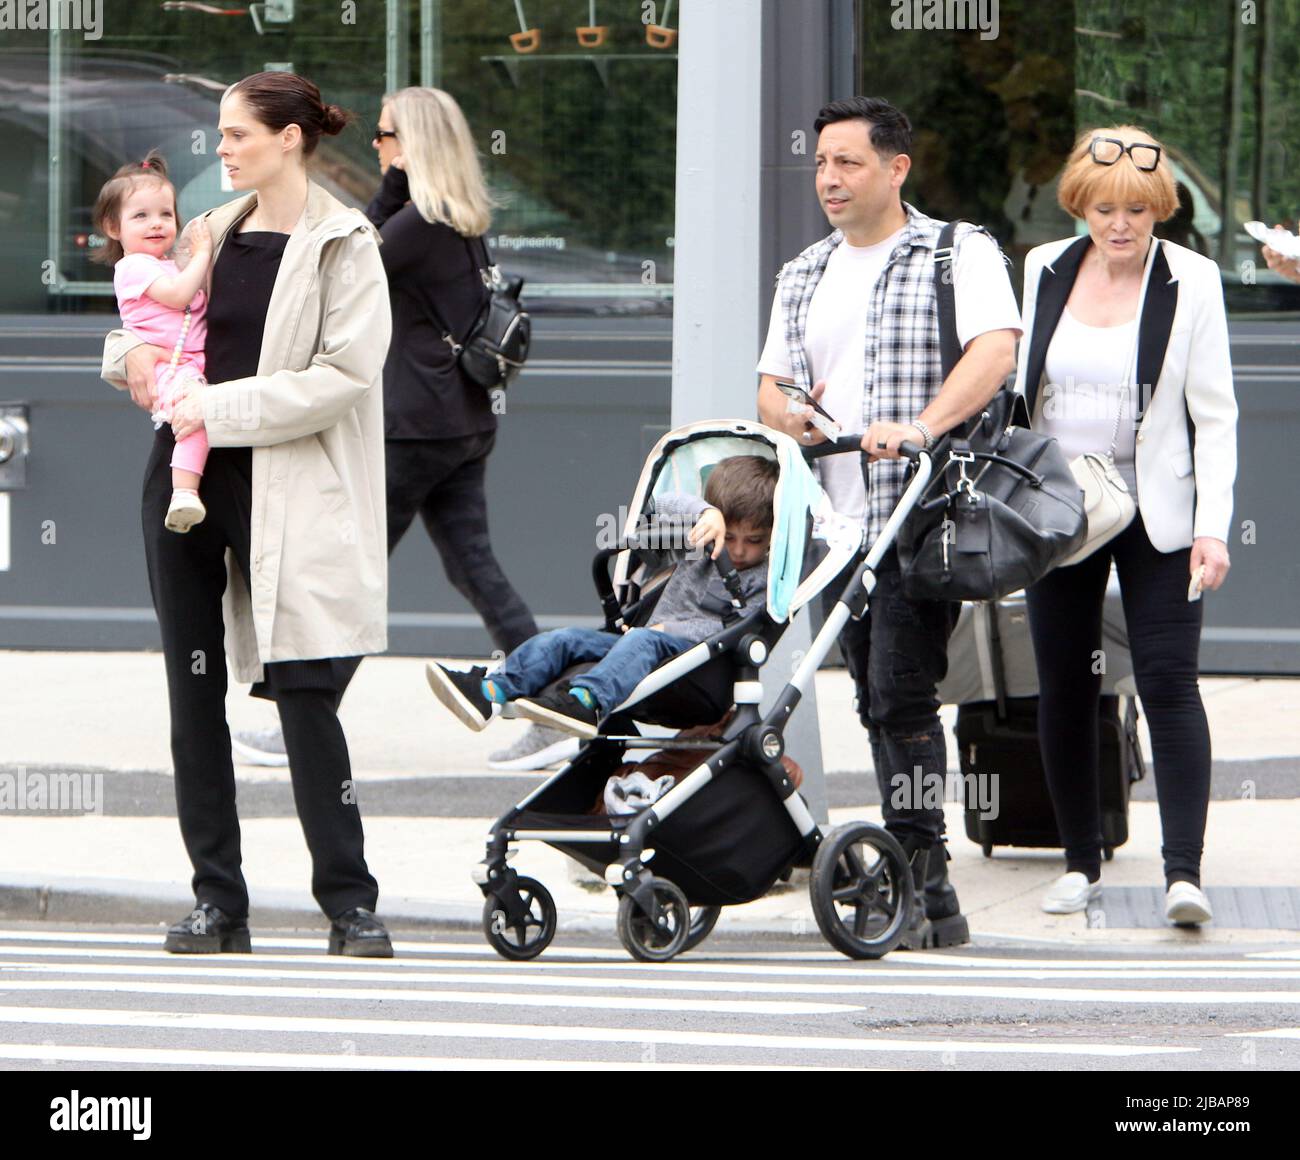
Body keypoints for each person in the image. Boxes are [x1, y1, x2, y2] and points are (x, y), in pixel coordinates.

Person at [100, 72, 395, 957]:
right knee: (193, 697)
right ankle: (218, 904)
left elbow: (343, 379)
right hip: (183, 482)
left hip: (286, 484)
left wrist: (214, 410)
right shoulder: (212, 232)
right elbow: (156, 321)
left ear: (290, 139)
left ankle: (350, 904)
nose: (220, 149)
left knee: (305, 691)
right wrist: (125, 360)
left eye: (236, 135)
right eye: (222, 135)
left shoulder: (346, 242)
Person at [231, 86, 570, 775]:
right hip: (461, 424)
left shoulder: (420, 225)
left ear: (415, 143)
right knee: (473, 566)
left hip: (414, 430)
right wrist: (394, 177)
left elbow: (343, 261)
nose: (378, 147)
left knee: (346, 575)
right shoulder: (458, 217)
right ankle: (557, 704)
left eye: (387, 137)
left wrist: (389, 187)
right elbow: (371, 237)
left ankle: (304, 727)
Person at [756, 96, 1022, 949]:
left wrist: (922, 425)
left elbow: (995, 350)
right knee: (876, 696)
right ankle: (924, 888)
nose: (829, 179)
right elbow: (771, 385)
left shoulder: (956, 252)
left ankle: (921, 871)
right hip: (835, 525)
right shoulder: (804, 271)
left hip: (923, 510)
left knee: (902, 691)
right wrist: (790, 415)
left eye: (848, 163)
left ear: (896, 169)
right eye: (822, 164)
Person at [1016, 126, 1237, 926]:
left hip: (1158, 510)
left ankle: (1185, 875)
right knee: (1066, 687)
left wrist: (1213, 528)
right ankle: (1079, 862)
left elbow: (1214, 416)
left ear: (1159, 211)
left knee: (1169, 681)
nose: (1121, 224)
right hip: (1061, 509)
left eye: (1138, 210)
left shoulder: (1193, 280)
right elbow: (1022, 390)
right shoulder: (1043, 268)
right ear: (1080, 206)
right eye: (1105, 208)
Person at [425, 454, 777, 738]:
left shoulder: (763, 577)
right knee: (565, 640)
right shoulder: (700, 542)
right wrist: (706, 514)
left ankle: (585, 702)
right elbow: (659, 503)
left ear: (772, 535)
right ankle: (491, 691)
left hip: (695, 668)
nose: (740, 550)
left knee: (641, 640)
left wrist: (668, 632)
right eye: (730, 537)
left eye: (754, 540)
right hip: (644, 648)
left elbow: (739, 628)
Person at [94, 152, 213, 533]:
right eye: (140, 216)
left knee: (197, 420)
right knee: (195, 422)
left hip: (185, 361)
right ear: (114, 227)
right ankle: (184, 492)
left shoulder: (165, 262)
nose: (157, 224)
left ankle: (185, 490)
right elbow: (179, 296)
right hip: (168, 368)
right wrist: (204, 254)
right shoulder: (133, 267)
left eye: (165, 214)